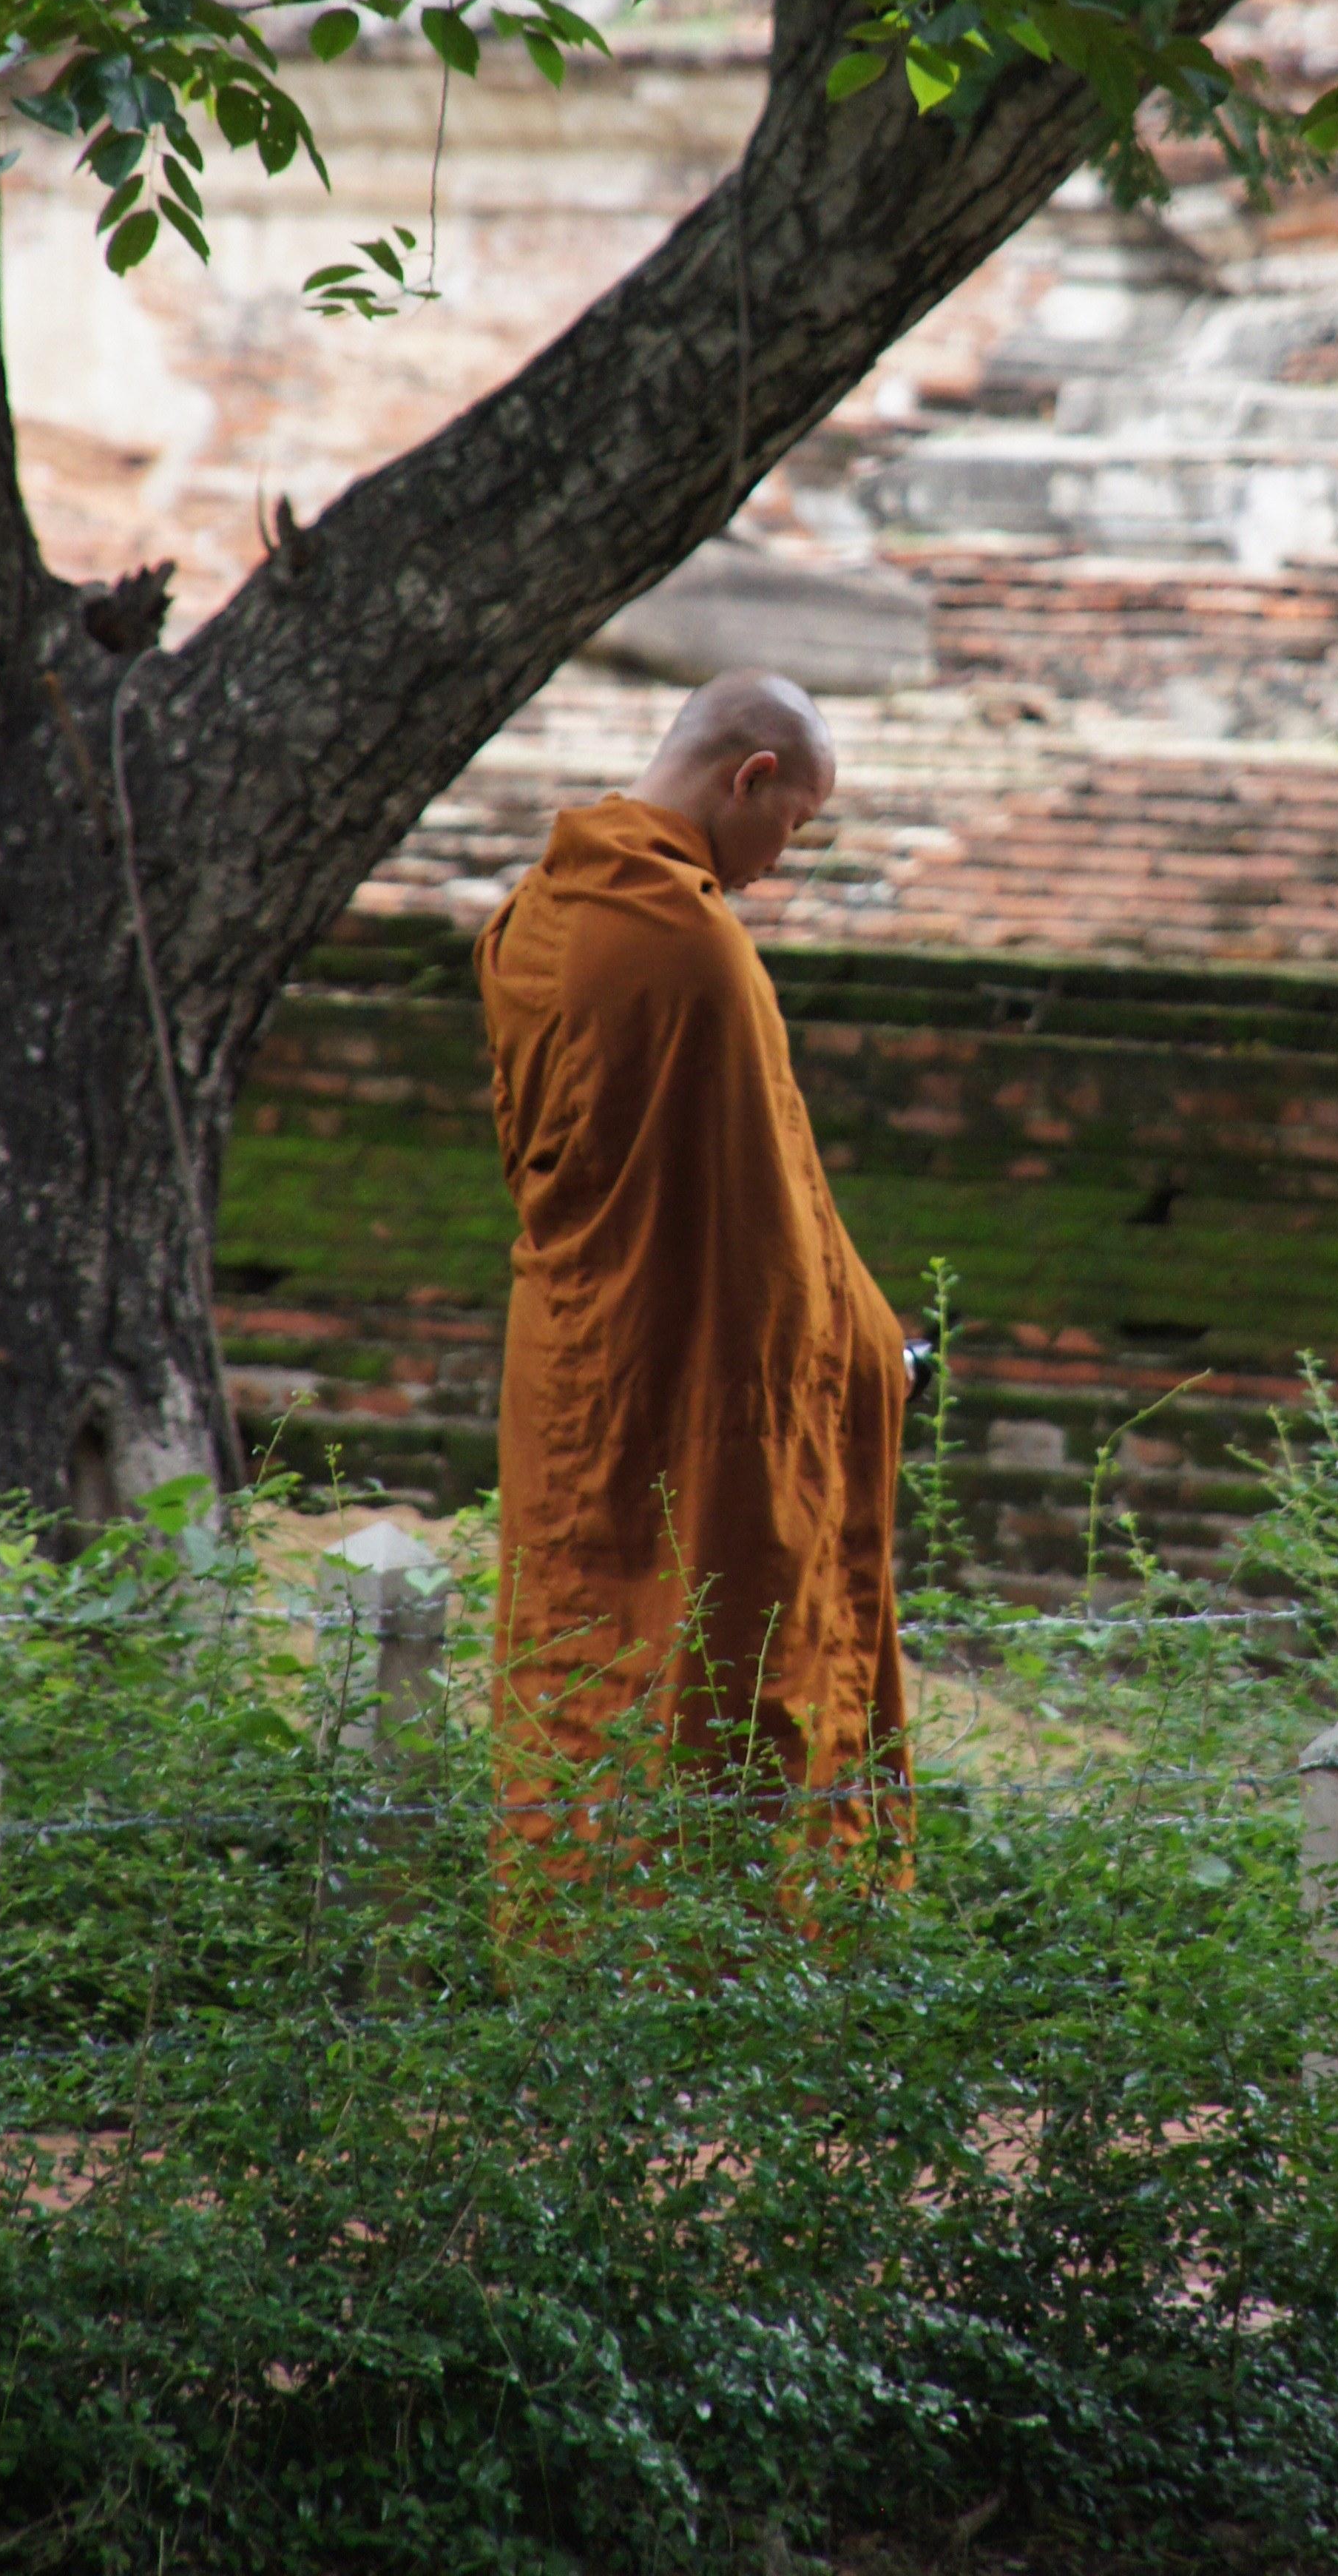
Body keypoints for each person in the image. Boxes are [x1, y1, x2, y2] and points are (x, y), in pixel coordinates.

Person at [476, 669, 910, 1886]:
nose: (785, 859)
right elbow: (769, 1230)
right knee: (707, 1669)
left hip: (568, 1363)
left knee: (575, 1655)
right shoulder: (695, 944)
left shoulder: (534, 909)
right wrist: (865, 1351)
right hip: (687, 1387)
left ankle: (562, 1968)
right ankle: (713, 2002)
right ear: (752, 778)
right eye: (796, 825)